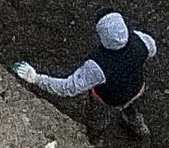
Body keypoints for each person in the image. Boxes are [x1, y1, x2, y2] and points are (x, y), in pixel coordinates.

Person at [14, 12, 160, 140]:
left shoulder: (97, 66)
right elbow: (152, 50)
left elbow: (69, 88)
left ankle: (95, 141)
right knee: (129, 104)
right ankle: (138, 126)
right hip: (136, 89)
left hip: (108, 100)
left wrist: (36, 78)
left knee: (97, 120)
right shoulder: (141, 41)